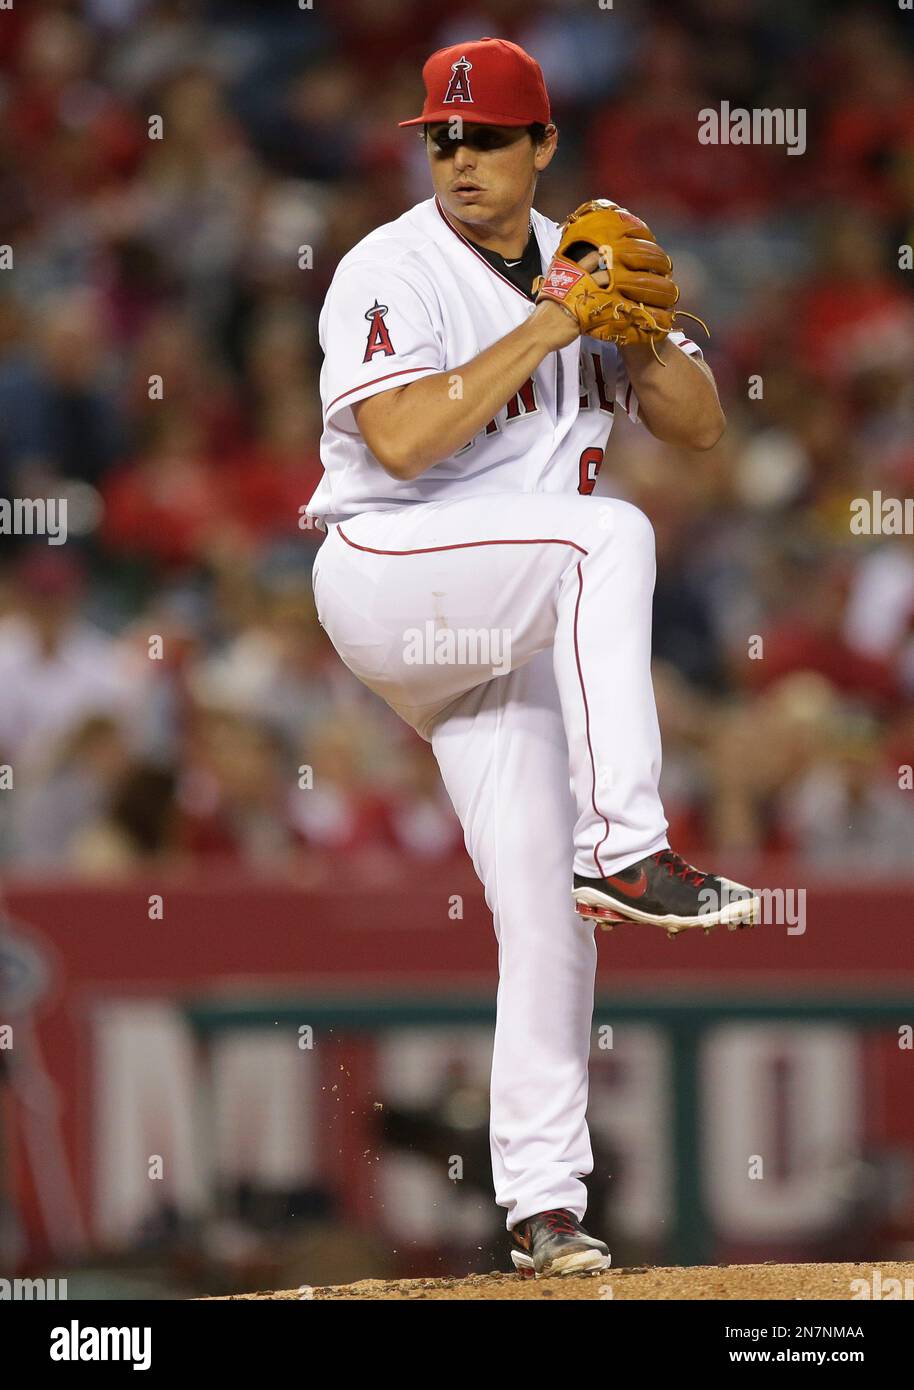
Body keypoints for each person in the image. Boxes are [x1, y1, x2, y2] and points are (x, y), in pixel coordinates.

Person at [306, 37, 759, 1278]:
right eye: (439, 138)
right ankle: (631, 846)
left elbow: (702, 427)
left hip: (505, 630)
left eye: (485, 137)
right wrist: (553, 319)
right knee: (602, 538)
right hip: (388, 573)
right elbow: (398, 441)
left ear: (539, 145)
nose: (457, 156)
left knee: (545, 911)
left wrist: (642, 333)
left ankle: (541, 1206)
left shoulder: (589, 257)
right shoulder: (386, 266)